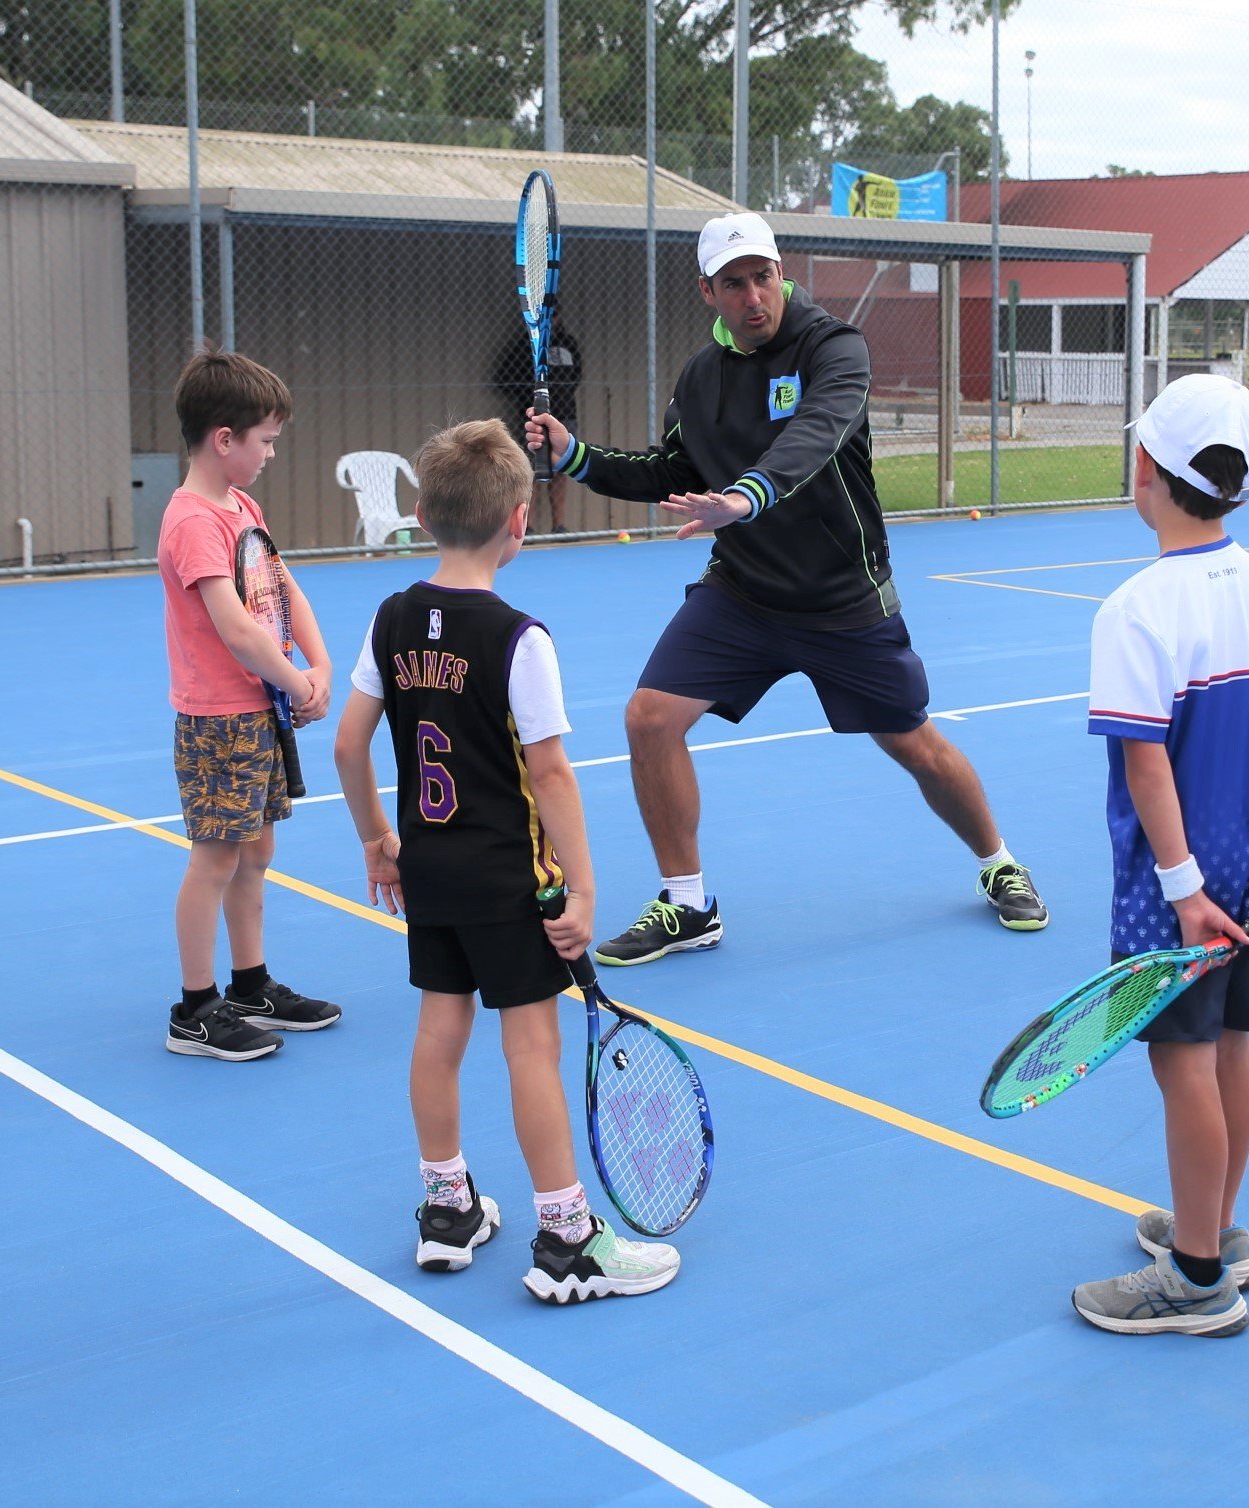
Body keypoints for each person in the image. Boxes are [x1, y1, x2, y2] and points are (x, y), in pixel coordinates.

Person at [522, 212, 1048, 965]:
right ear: (708, 291)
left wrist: (743, 498)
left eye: (762, 275)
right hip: (743, 594)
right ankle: (688, 902)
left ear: (780, 272)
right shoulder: (700, 381)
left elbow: (817, 433)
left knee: (917, 746)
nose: (753, 295)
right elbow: (672, 472)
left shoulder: (834, 346)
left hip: (842, 598)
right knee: (648, 718)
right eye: (734, 283)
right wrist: (577, 457)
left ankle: (997, 860)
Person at [334, 420, 682, 1303]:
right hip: (506, 877)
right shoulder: (519, 637)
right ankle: (567, 1239)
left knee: (437, 1033)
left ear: (419, 512)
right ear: (519, 523)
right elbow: (550, 771)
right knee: (531, 1043)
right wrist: (588, 883)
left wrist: (380, 839)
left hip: (430, 870)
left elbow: (348, 745)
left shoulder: (392, 616)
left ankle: (447, 1208)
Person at [1070, 375, 1249, 1337]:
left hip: (1175, 890)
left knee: (1183, 1067)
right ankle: (1215, 1224)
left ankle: (1199, 1274)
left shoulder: (1134, 608)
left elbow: (1145, 770)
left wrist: (1179, 893)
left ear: (1145, 468)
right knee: (1231, 1049)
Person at [156, 349, 340, 1061]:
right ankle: (196, 1010)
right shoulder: (192, 522)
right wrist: (296, 684)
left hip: (259, 710)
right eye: (264, 440)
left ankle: (250, 984)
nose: (270, 453)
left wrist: (317, 662)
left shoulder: (243, 507)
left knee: (255, 849)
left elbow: (282, 589)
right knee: (216, 857)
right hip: (219, 717)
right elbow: (235, 625)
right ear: (223, 438)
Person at [491, 322, 583, 534]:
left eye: (556, 314)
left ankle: (559, 526)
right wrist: (530, 398)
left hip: (566, 415)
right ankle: (527, 527)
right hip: (537, 418)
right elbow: (504, 378)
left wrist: (561, 396)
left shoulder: (568, 343)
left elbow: (577, 375)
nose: (554, 319)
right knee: (532, 469)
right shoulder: (526, 345)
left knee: (562, 468)